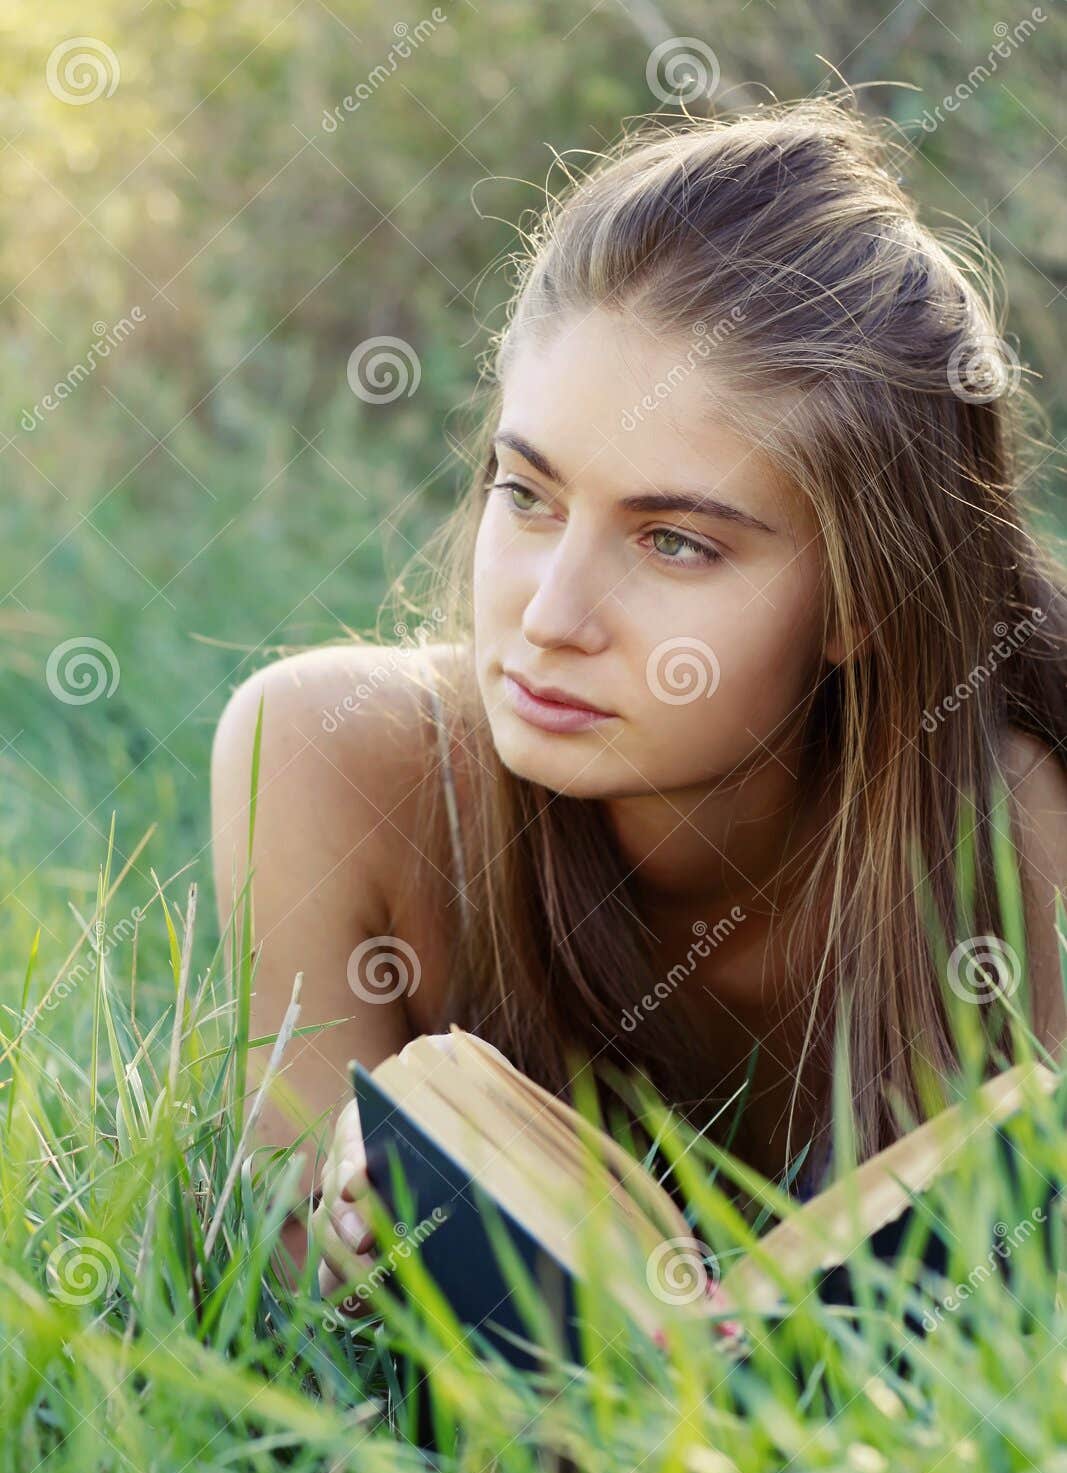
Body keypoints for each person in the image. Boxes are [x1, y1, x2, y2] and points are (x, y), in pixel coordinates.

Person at [209, 95, 1067, 1323]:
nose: (551, 614)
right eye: (527, 494)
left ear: (860, 599)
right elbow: (274, 1277)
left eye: (672, 542)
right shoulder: (328, 756)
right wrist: (348, 1229)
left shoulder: (1002, 831)